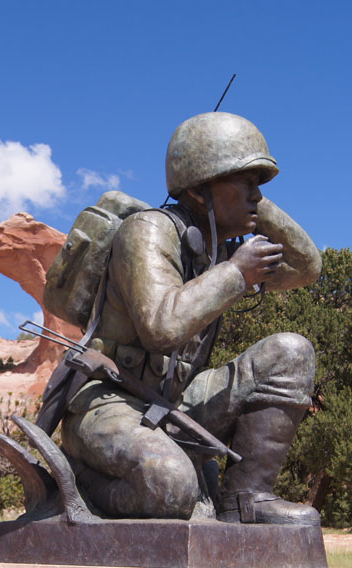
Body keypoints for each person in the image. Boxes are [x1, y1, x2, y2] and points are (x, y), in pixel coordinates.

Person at [56, 112, 322, 524]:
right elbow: (162, 327)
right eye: (246, 183)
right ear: (200, 189)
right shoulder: (148, 230)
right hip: (109, 402)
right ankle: (81, 483)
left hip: (177, 400)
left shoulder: (216, 248)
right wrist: (236, 273)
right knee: (172, 486)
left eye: (260, 186)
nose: (257, 196)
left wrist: (247, 202)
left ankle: (245, 500)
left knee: (292, 353)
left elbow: (306, 266)